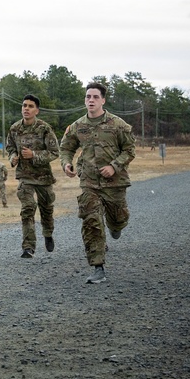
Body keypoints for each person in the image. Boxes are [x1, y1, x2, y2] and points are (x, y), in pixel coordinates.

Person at [59, 82, 136, 284]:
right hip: (89, 183)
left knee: (118, 220)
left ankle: (116, 226)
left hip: (115, 183)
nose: (91, 100)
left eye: (95, 97)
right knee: (91, 221)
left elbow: (129, 150)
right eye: (87, 97)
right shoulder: (77, 126)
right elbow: (66, 148)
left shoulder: (117, 125)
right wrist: (66, 164)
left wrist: (114, 166)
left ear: (103, 100)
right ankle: (98, 266)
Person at [6, 94, 60, 258]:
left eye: (30, 106)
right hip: (24, 177)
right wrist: (13, 157)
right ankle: (28, 247)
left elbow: (54, 152)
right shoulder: (15, 129)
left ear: (37, 110)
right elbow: (10, 148)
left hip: (43, 177)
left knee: (46, 209)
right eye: (24, 106)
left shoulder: (44, 129)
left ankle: (48, 233)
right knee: (28, 209)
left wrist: (34, 155)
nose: (26, 109)